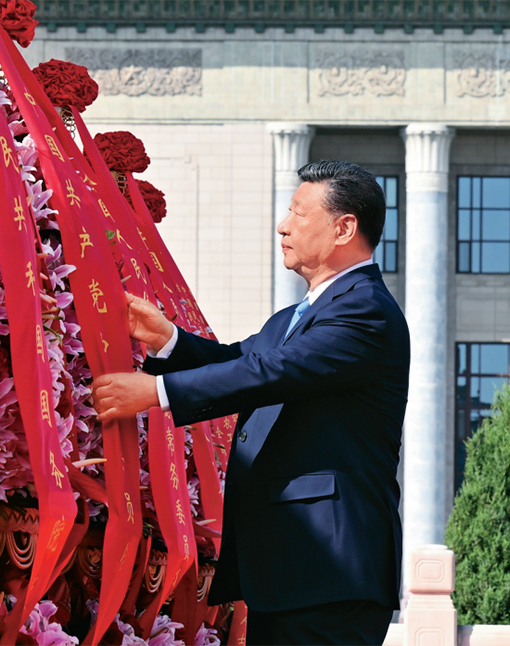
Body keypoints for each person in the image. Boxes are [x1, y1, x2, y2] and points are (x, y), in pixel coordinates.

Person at [92, 159, 410, 645]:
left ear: (345, 227)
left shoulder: (364, 310)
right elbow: (239, 360)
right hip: (290, 566)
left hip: (329, 568)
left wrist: (156, 393)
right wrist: (169, 342)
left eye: (299, 214)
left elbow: (269, 373)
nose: (283, 226)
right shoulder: (295, 317)